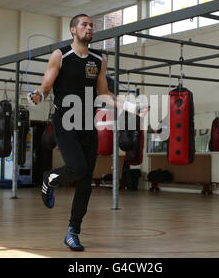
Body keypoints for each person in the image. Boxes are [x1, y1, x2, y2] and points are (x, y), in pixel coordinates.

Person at [28, 14, 149, 251]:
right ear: (73, 30)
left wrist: (131, 106)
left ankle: (73, 232)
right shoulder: (60, 55)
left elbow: (103, 93)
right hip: (65, 120)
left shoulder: (98, 59)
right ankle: (49, 178)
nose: (89, 27)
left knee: (85, 182)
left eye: (92, 25)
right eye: (84, 24)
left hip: (87, 123)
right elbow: (46, 86)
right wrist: (38, 95)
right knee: (78, 168)